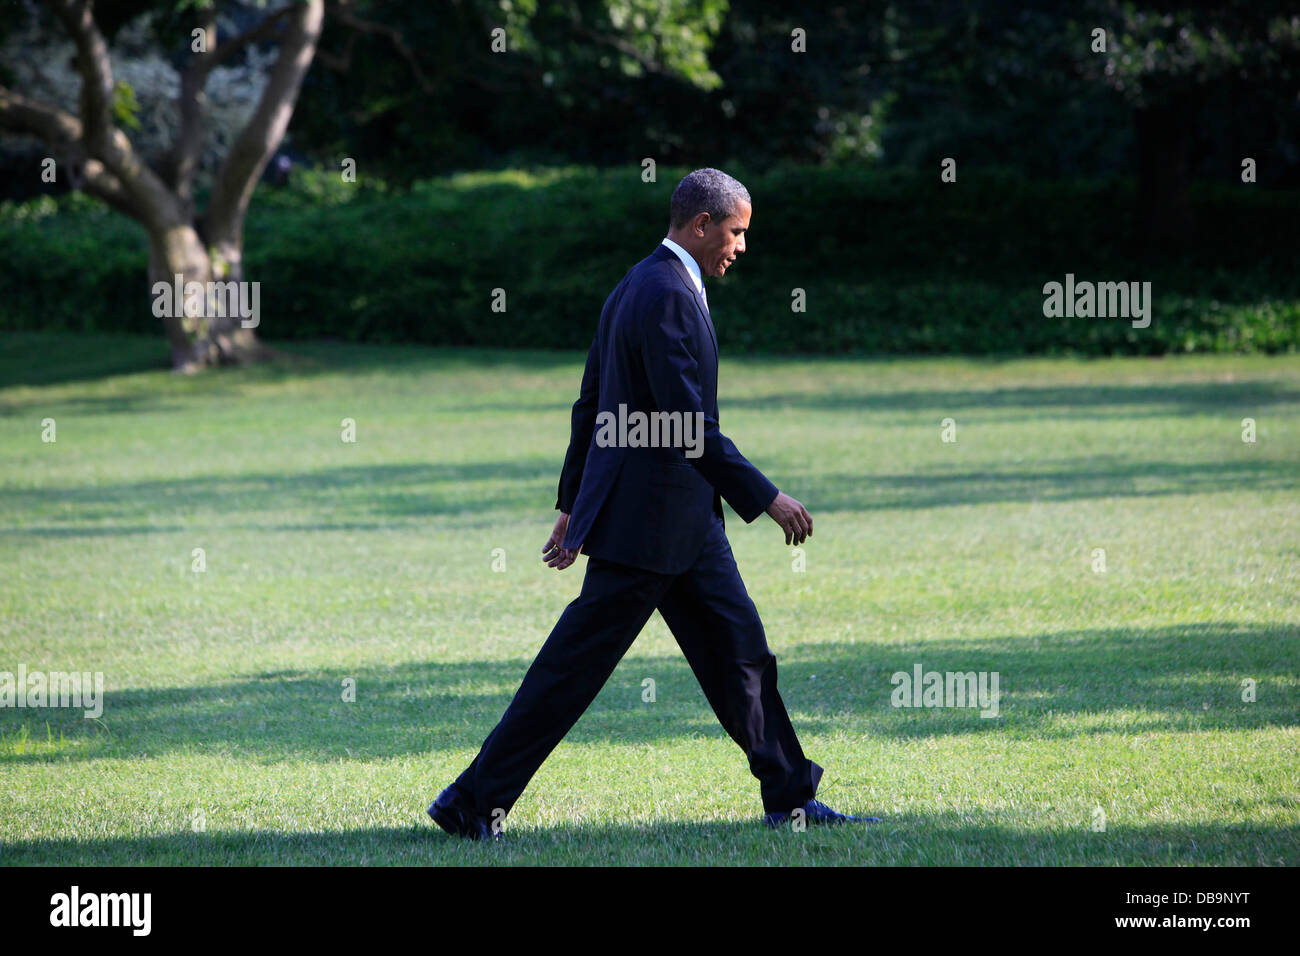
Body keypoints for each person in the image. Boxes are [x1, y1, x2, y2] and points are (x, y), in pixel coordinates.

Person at [428, 168, 881, 839]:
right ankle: (470, 804)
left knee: (742, 657)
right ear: (700, 225)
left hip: (686, 524)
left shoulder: (637, 283)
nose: (741, 246)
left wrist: (575, 503)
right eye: (735, 232)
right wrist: (767, 496)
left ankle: (790, 795)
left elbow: (591, 404)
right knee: (570, 673)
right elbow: (683, 424)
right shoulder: (664, 292)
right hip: (648, 527)